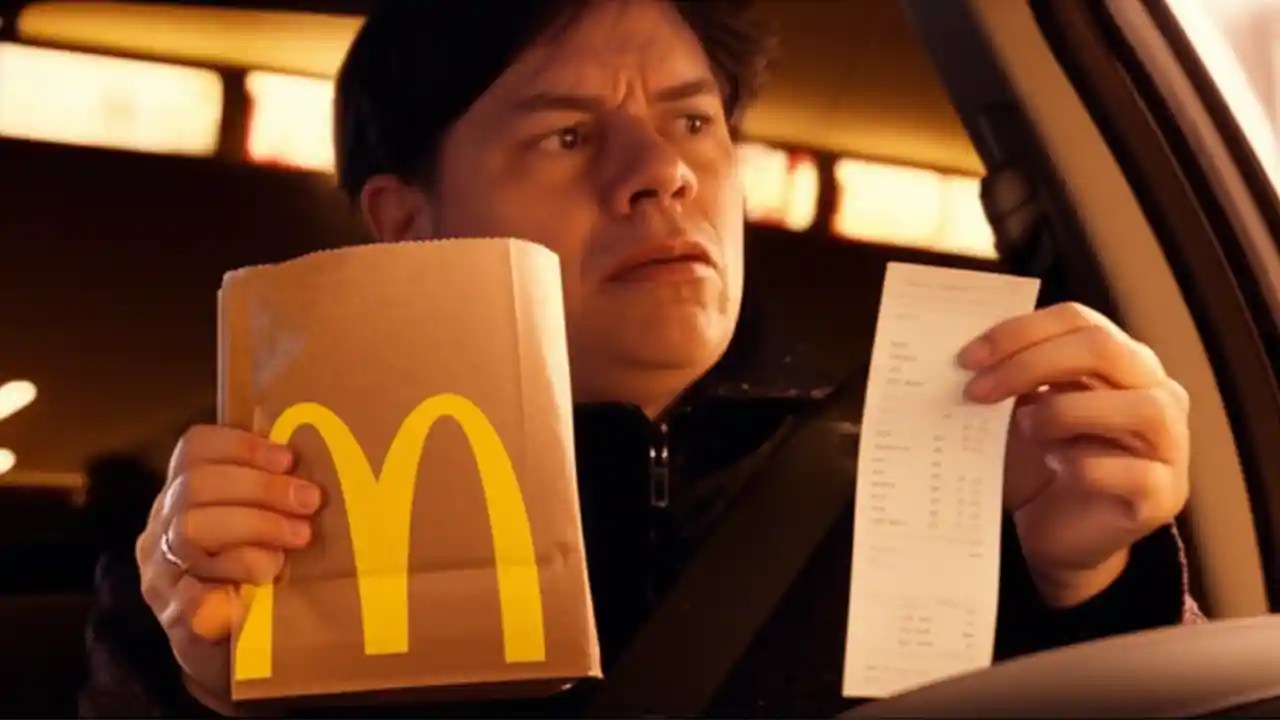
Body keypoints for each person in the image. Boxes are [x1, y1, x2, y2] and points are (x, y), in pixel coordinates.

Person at [80, 0, 1204, 716]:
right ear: (405, 220)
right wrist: (206, 691)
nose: (659, 174)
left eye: (693, 123)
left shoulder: (953, 477)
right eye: (566, 135)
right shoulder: (271, 522)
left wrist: (1084, 592)